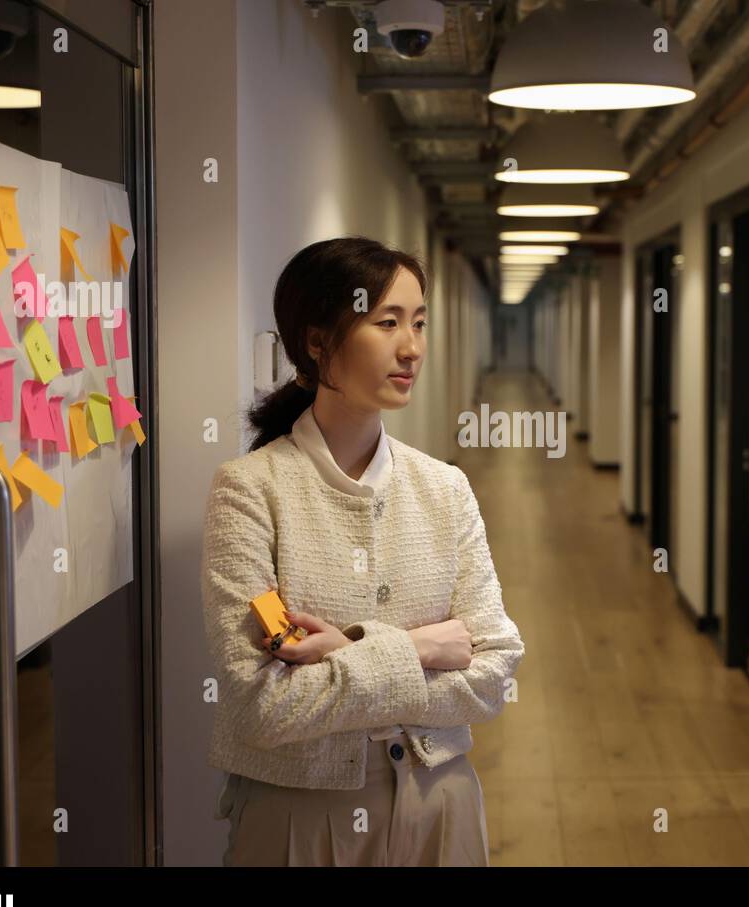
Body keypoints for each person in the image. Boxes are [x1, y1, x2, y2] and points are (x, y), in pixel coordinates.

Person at [200, 236, 524, 866]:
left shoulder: (444, 488)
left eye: (420, 323)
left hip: (441, 805)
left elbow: (492, 674)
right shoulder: (249, 491)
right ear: (318, 343)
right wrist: (419, 648)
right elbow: (258, 706)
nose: (412, 347)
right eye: (388, 323)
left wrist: (348, 650)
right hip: (298, 816)